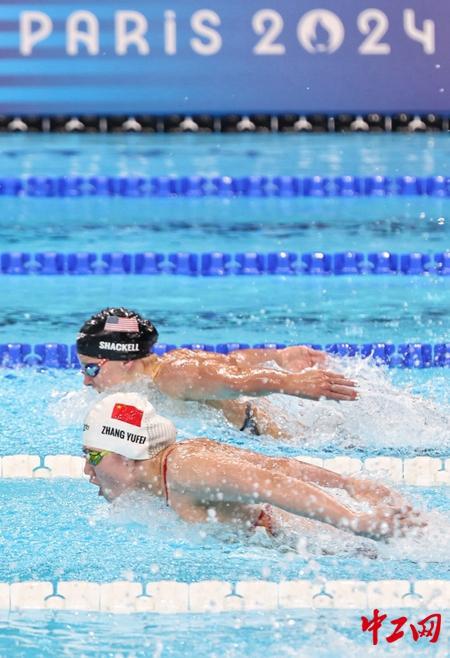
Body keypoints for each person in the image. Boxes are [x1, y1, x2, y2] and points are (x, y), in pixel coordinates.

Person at [82, 392, 423, 544]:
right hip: (328, 534)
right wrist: (348, 484)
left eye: (93, 456)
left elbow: (273, 485)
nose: (87, 470)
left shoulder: (185, 468)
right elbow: (276, 465)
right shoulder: (180, 459)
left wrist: (355, 521)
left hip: (331, 538)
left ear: (126, 453)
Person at [76, 307, 357, 439]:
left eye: (91, 368)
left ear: (124, 360)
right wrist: (278, 356)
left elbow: (240, 382)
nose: (86, 380)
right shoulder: (159, 374)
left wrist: (292, 382)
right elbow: (230, 362)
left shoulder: (172, 377)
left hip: (278, 437)